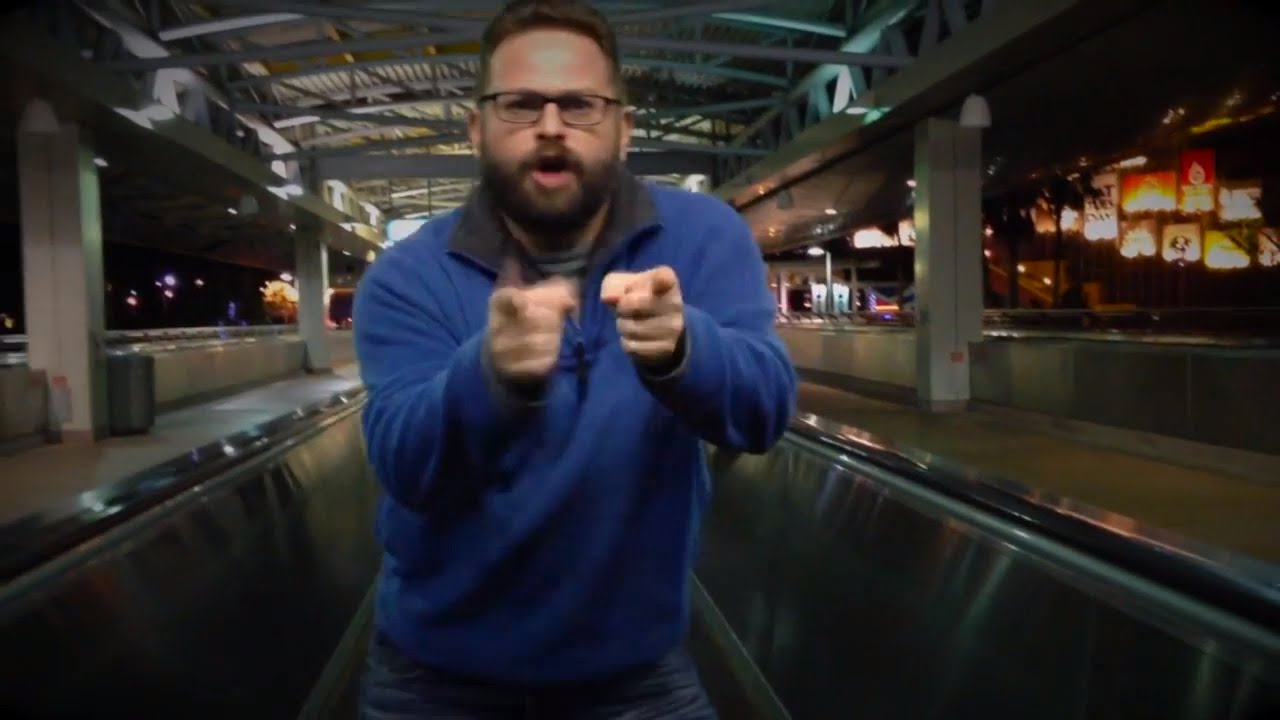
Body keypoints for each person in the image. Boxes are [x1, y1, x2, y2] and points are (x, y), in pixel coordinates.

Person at [352, 0, 797, 716]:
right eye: (520, 104)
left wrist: (686, 350)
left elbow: (765, 412)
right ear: (476, 128)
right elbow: (403, 464)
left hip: (636, 677)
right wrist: (488, 377)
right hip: (434, 682)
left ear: (623, 130)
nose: (551, 128)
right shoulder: (407, 276)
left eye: (579, 105)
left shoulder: (704, 237)